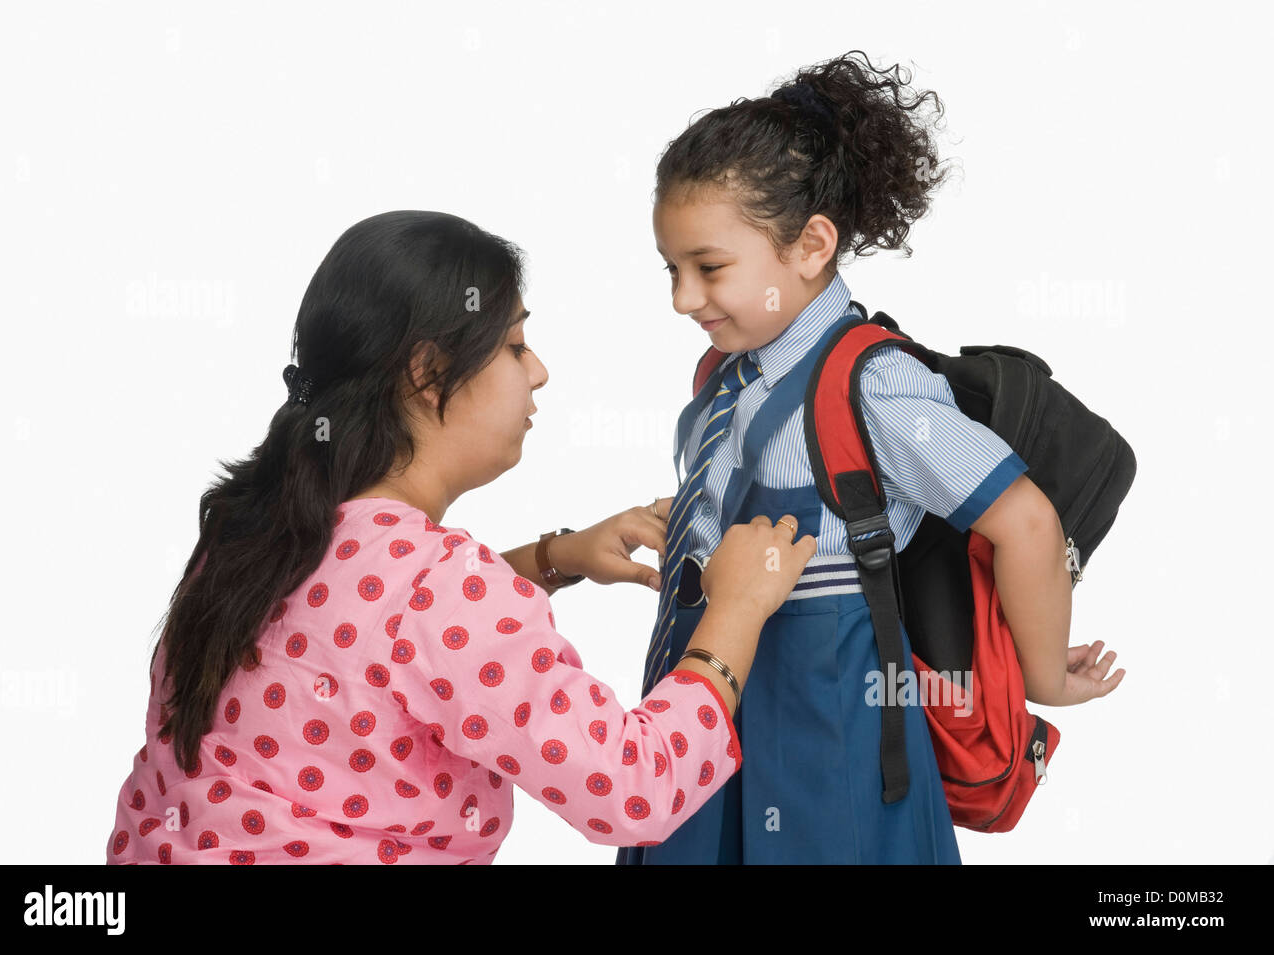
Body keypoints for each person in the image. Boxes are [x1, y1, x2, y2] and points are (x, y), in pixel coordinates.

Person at [104, 210, 817, 864]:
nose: (538, 371)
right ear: (428, 372)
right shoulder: (437, 590)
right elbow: (636, 783)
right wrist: (736, 609)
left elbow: (360, 631)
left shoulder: (250, 525)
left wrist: (550, 558)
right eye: (514, 345)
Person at [619, 52, 1125, 866]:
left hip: (827, 760)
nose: (683, 297)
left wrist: (1045, 677)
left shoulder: (874, 385)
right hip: (701, 732)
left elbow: (1026, 519)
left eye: (708, 268)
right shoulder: (721, 378)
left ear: (813, 244)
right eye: (671, 270)